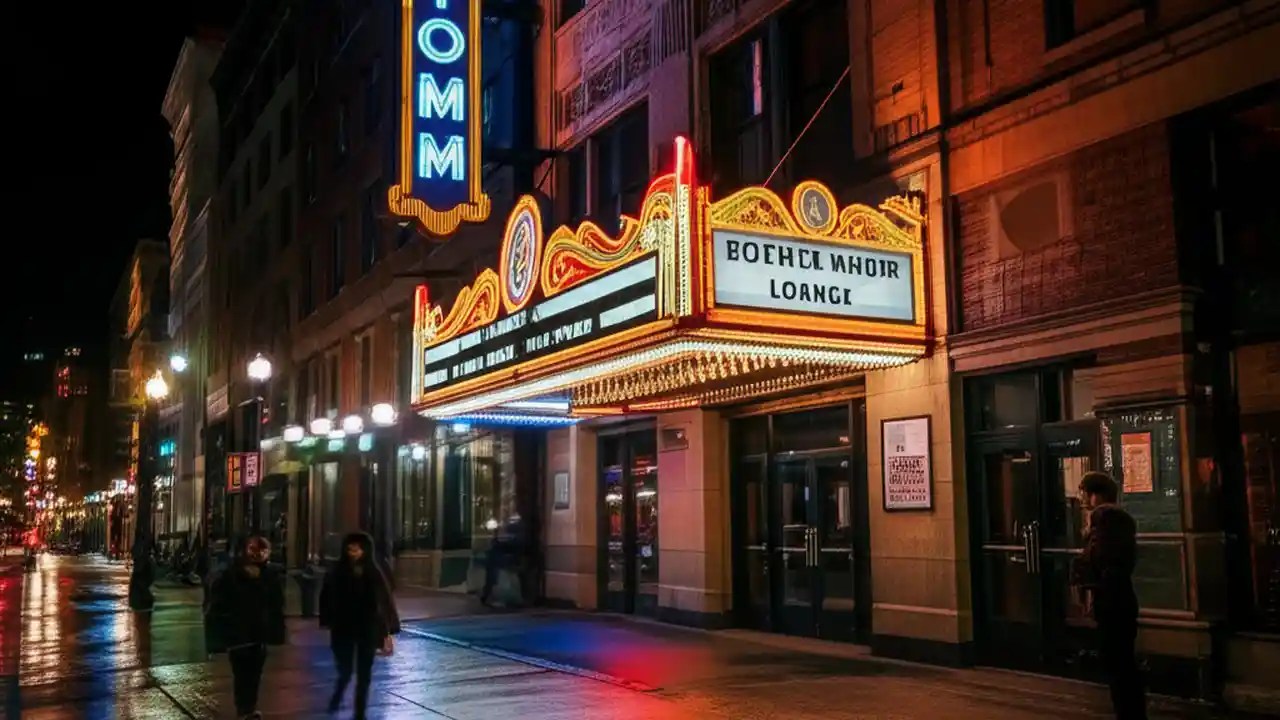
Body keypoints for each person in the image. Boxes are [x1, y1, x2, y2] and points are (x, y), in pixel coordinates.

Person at [1073, 471, 1147, 720]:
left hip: (1112, 600)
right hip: (1119, 598)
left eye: (1086, 493)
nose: (1083, 499)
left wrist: (1085, 577)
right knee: (1121, 662)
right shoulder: (1114, 523)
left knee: (1118, 664)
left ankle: (1129, 715)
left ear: (1097, 495)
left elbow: (1100, 560)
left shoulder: (1105, 521)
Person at [204, 535, 286, 720]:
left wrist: (275, 631)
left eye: (262, 551)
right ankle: (244, 709)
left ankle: (249, 707)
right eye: (254, 551)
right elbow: (218, 605)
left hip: (258, 634)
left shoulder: (269, 575)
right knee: (242, 674)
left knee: (255, 673)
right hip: (239, 635)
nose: (258, 555)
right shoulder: (231, 575)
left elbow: (276, 605)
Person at [320, 532, 400, 718]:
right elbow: (326, 598)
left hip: (367, 629)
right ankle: (338, 695)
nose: (353, 553)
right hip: (343, 629)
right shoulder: (337, 572)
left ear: (365, 550)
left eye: (356, 549)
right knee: (345, 671)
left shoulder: (374, 572)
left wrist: (386, 632)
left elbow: (383, 602)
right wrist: (328, 621)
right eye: (349, 549)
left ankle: (360, 713)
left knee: (364, 675)